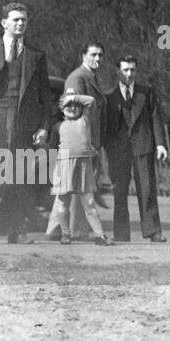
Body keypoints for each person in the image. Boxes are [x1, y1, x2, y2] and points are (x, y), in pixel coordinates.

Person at [0, 3, 53, 244]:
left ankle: (16, 231)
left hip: (23, 123)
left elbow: (45, 96)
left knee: (20, 177)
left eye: (24, 20)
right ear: (4, 23)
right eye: (15, 19)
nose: (20, 24)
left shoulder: (36, 56)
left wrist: (44, 127)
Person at [46, 42, 109, 241]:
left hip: (87, 142)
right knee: (72, 190)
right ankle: (66, 230)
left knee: (74, 190)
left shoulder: (90, 76)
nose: (97, 59)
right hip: (79, 141)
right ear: (83, 55)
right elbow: (72, 104)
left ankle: (62, 229)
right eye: (93, 55)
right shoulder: (77, 77)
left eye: (100, 55)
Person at [104, 54, 169, 242]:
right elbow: (106, 126)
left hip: (143, 146)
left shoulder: (146, 92)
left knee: (147, 189)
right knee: (120, 192)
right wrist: (106, 148)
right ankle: (121, 234)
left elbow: (155, 119)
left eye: (132, 69)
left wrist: (160, 144)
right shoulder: (109, 95)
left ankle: (153, 231)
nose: (129, 73)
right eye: (125, 70)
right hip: (119, 150)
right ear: (118, 71)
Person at [49, 91, 111, 246]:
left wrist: (73, 97)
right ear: (61, 108)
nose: (72, 107)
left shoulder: (85, 120)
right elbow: (51, 149)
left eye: (75, 105)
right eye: (67, 105)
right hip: (64, 167)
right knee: (63, 202)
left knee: (89, 202)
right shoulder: (58, 127)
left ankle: (99, 235)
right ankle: (65, 234)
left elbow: (91, 101)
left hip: (83, 167)